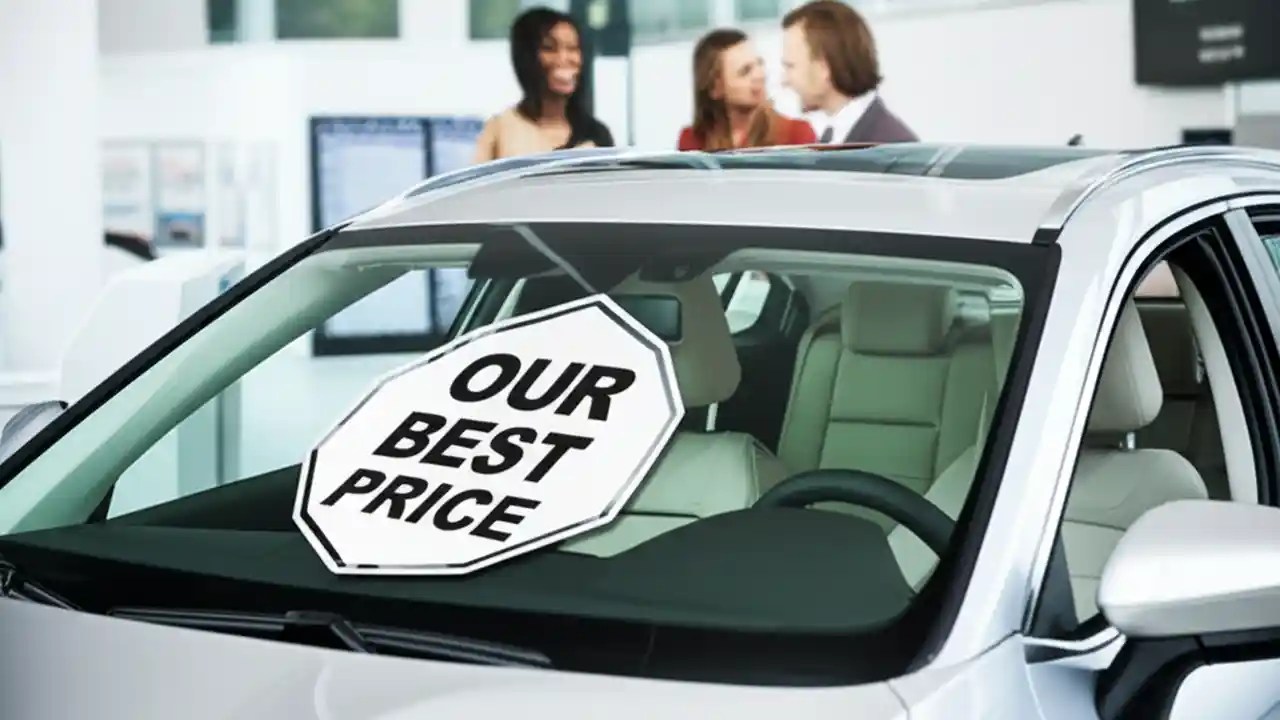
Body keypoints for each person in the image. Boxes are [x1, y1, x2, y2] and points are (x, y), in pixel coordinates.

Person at [473, 7, 614, 162]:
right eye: (549, 48)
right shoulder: (500, 129)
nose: (564, 59)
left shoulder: (596, 135)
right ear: (527, 56)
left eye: (573, 48)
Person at [780, 0, 917, 144]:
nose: (784, 81)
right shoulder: (832, 137)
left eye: (790, 66)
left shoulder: (891, 147)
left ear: (824, 69)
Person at [677, 28, 816, 151]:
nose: (760, 75)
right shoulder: (691, 141)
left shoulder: (796, 134)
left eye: (759, 63)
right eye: (745, 71)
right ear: (715, 88)